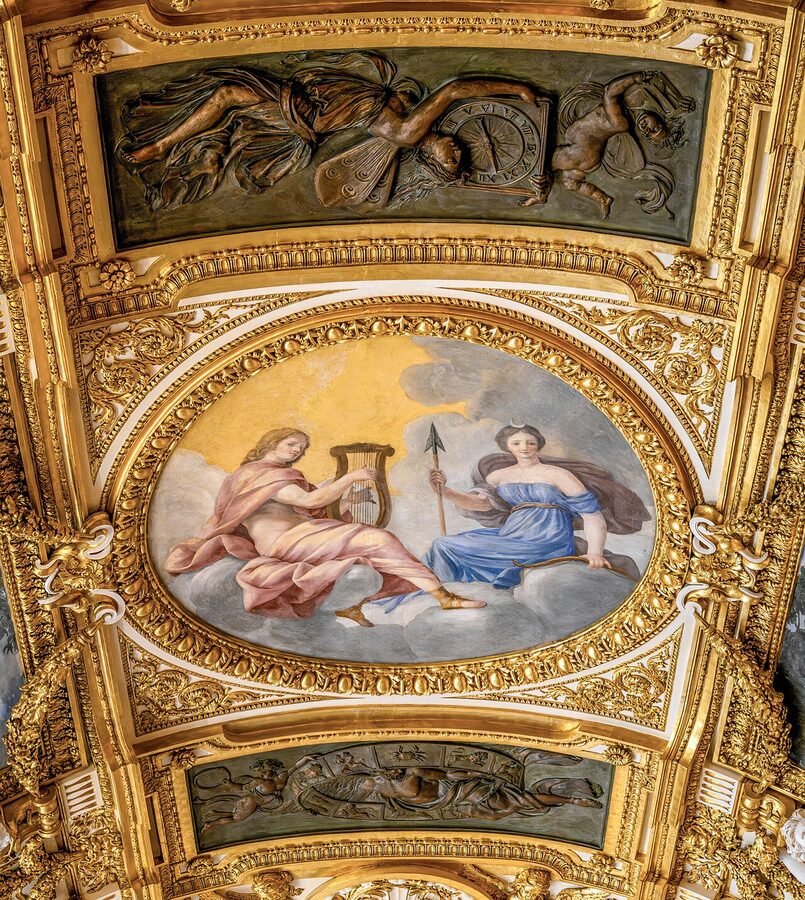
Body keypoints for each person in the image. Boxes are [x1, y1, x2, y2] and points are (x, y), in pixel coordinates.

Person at [118, 50, 544, 211]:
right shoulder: (411, 122)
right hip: (321, 103)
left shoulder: (410, 133)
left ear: (430, 161)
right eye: (460, 155)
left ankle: (162, 146)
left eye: (451, 161)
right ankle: (171, 144)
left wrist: (516, 89)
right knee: (227, 95)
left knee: (228, 93)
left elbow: (455, 89)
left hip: (310, 113)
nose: (458, 152)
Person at [337, 423, 650, 625]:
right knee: (444, 544)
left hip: (547, 537)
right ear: (507, 447)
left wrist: (595, 552)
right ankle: (402, 597)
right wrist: (445, 491)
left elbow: (592, 515)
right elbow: (481, 503)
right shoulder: (499, 476)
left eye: (530, 442)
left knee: (453, 546)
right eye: (517, 442)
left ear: (538, 444)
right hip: (512, 533)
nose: (524, 447)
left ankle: (409, 598)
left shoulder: (559, 475)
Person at [164, 427, 484, 619]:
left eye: (301, 448)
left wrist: (347, 503)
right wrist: (350, 478)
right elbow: (308, 502)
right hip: (286, 541)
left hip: (304, 533)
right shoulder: (255, 474)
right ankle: (444, 598)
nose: (296, 451)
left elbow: (309, 511)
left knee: (371, 548)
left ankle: (353, 605)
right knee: (378, 540)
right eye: (291, 444)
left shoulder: (283, 475)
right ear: (271, 443)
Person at [547, 70, 695, 218]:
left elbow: (609, 92)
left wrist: (636, 77)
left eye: (649, 134)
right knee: (570, 183)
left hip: (583, 150)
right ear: (660, 118)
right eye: (655, 128)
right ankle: (602, 198)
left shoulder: (619, 121)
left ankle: (540, 175)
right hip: (587, 154)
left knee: (549, 162)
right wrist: (681, 105)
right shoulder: (637, 103)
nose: (647, 129)